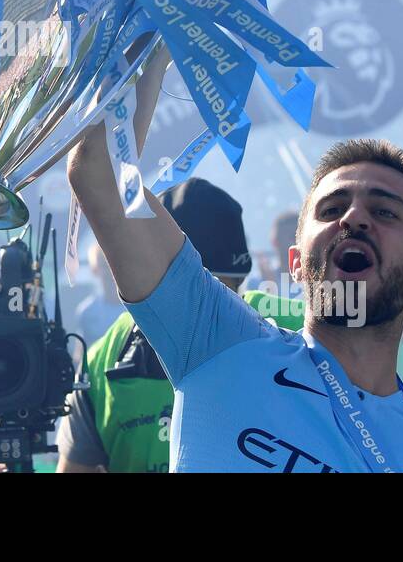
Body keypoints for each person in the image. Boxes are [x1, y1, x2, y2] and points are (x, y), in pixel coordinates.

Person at [64, 46, 403, 472]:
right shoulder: (221, 342)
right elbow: (100, 174)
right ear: (297, 262)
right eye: (332, 209)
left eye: (385, 211)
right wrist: (157, 35)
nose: (354, 218)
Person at [59, 178, 304, 473]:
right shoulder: (102, 362)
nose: (214, 320)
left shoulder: (298, 327)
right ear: (150, 284)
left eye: (228, 293)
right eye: (194, 302)